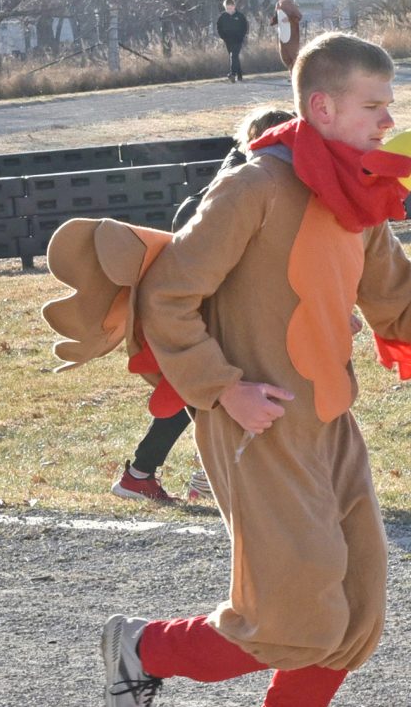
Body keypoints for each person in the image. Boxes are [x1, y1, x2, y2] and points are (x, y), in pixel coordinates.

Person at [99, 31, 411, 707]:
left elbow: (398, 307)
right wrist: (223, 390)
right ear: (321, 107)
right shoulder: (255, 187)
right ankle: (143, 648)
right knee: (294, 618)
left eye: (389, 106)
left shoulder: (360, 196)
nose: (387, 122)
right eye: (373, 107)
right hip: (254, 425)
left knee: (356, 613)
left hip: (329, 424)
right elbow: (167, 300)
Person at [112, 105, 295, 504]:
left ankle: (154, 474)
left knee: (202, 391)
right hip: (201, 311)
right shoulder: (240, 186)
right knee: (207, 389)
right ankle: (181, 475)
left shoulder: (251, 177)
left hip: (214, 310)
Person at [215, 0, 249, 82]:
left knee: (233, 55)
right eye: (227, 8)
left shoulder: (240, 16)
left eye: (230, 8)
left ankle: (232, 74)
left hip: (238, 40)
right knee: (234, 57)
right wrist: (223, 36)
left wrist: (241, 36)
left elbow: (245, 27)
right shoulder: (223, 17)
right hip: (228, 40)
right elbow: (219, 28)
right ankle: (240, 75)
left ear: (234, 6)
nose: (229, 10)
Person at [271, 0, 303, 72]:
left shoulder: (290, 4)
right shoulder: (278, 4)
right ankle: (292, 73)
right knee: (284, 56)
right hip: (282, 33)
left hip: (292, 34)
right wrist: (273, 21)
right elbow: (277, 17)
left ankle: (296, 73)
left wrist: (289, 19)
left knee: (293, 55)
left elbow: (299, 16)